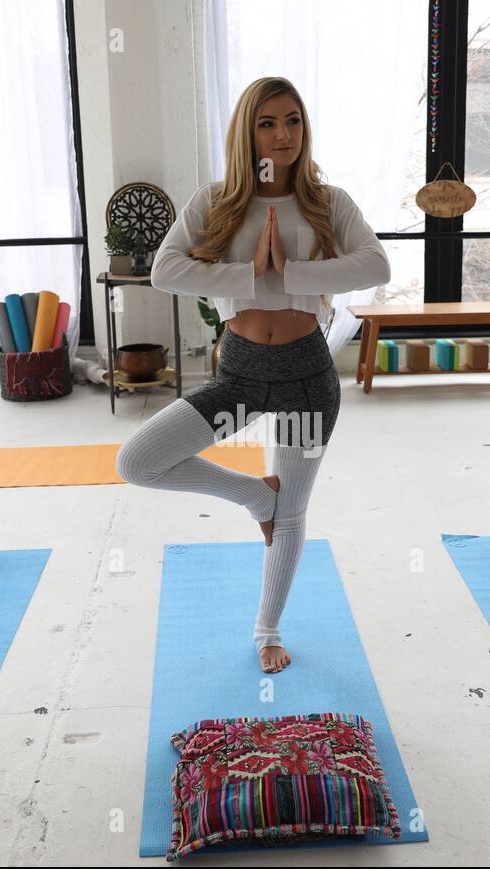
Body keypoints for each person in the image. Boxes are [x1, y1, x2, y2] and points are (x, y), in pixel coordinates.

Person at [116, 76, 390, 673]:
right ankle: (253, 497)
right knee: (136, 462)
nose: (283, 134)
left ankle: (268, 631)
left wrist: (289, 275)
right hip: (239, 372)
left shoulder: (327, 201)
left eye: (292, 120)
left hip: (305, 377)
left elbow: (375, 263)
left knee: (293, 514)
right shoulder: (217, 201)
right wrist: (246, 274)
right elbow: (165, 270)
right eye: (268, 122)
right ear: (248, 130)